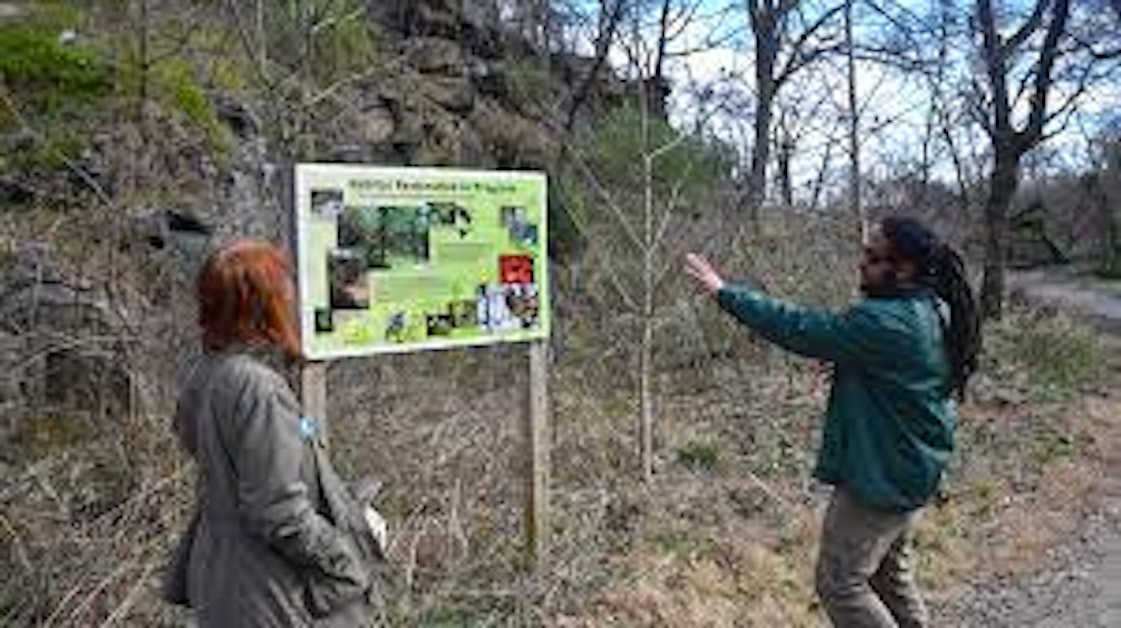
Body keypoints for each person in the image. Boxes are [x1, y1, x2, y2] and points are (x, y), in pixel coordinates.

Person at [684, 217, 981, 627]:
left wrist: (725, 293)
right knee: (888, 578)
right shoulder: (931, 309)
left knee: (840, 584)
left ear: (906, 268)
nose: (861, 263)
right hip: (910, 465)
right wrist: (850, 364)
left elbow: (799, 327)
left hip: (883, 475)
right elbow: (896, 369)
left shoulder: (888, 322)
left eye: (873, 257)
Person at [164, 240, 386, 627]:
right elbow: (277, 511)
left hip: (224, 577)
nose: (292, 294)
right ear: (262, 303)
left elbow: (238, 480)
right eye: (284, 287)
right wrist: (348, 556)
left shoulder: (206, 373)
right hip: (266, 590)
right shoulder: (257, 387)